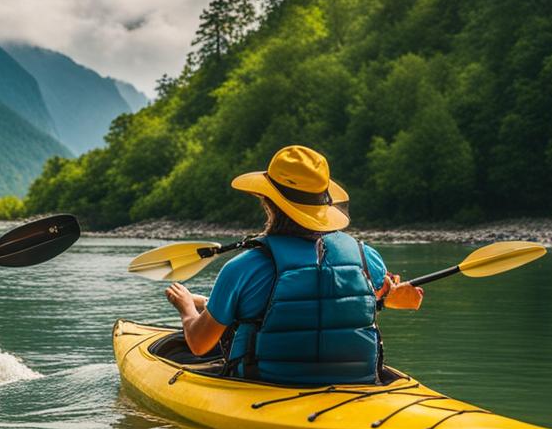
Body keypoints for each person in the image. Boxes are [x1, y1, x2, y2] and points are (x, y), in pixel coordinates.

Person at [164, 145, 422, 385]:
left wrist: (186, 307)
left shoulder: (242, 268)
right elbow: (353, 298)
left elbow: (199, 344)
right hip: (358, 384)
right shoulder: (367, 257)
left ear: (268, 202)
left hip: (267, 385)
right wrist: (389, 297)